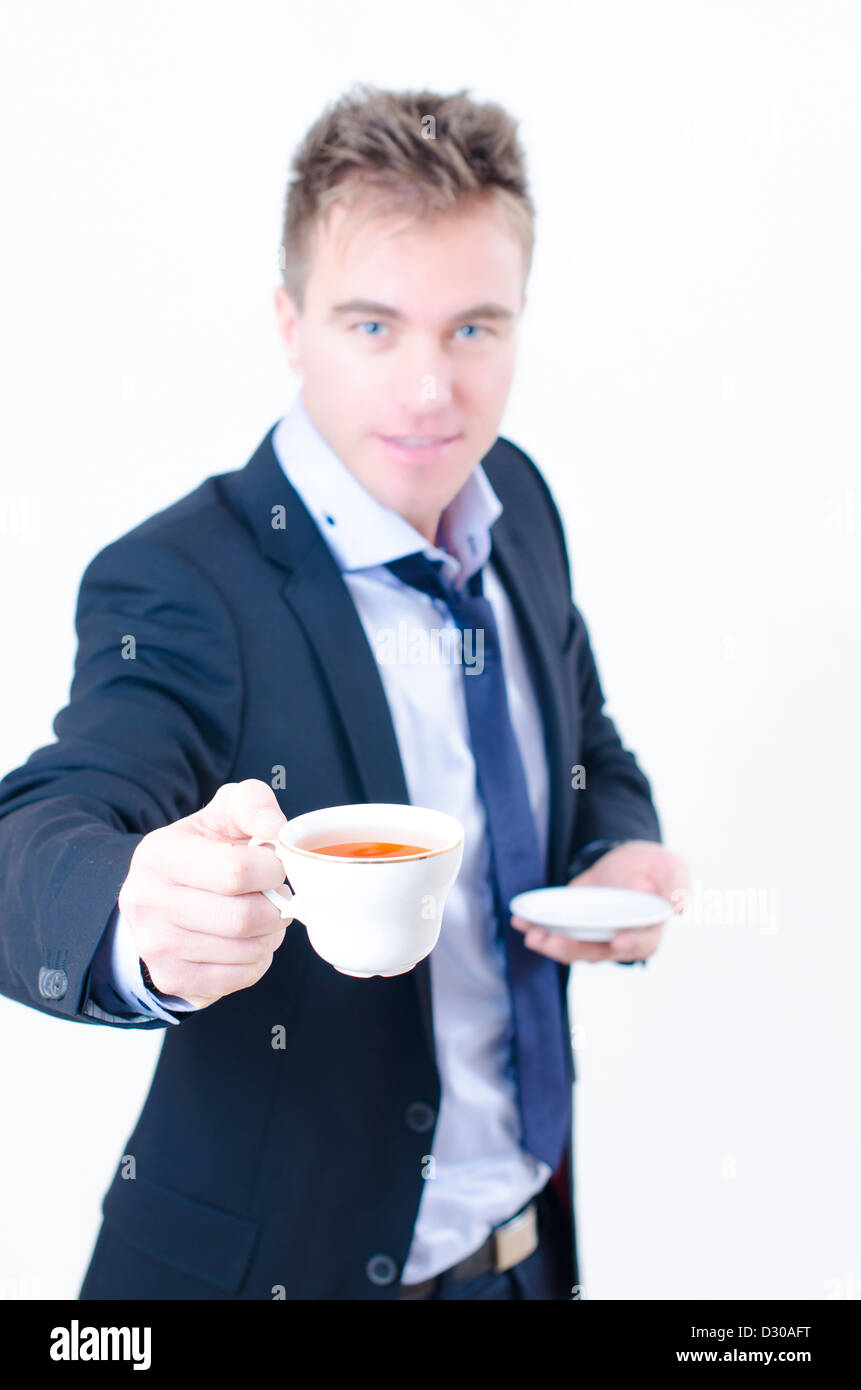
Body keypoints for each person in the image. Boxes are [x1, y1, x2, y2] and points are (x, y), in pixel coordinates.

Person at [0, 82, 688, 1300]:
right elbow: (39, 830)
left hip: (529, 1255)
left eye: (474, 328)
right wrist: (138, 918)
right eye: (374, 326)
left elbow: (590, 744)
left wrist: (621, 849)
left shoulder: (515, 503)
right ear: (290, 320)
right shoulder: (183, 581)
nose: (432, 393)